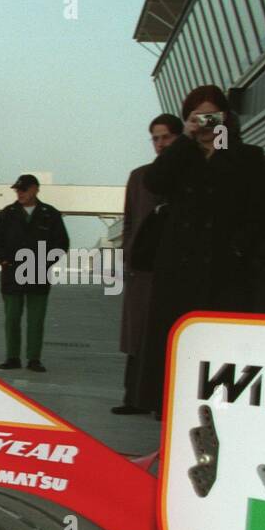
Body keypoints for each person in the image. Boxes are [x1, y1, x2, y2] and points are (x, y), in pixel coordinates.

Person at [133, 85, 265, 415]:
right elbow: (155, 181)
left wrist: (241, 249)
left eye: (212, 114)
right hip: (179, 272)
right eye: (197, 116)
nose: (205, 122)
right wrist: (186, 137)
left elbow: (262, 211)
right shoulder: (181, 156)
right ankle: (171, 409)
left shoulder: (244, 156)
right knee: (178, 347)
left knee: (221, 349)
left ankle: (219, 411)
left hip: (228, 272)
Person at [113, 113, 182, 416]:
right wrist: (129, 253)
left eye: (166, 137)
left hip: (176, 268)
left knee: (167, 335)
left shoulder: (189, 173)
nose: (160, 143)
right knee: (137, 335)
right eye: (155, 138)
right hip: (142, 269)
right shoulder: (139, 177)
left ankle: (163, 403)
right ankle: (135, 398)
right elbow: (129, 219)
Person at [0, 174, 69, 372]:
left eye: (23, 189)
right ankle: (12, 357)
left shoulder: (50, 215)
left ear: (35, 189)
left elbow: (62, 244)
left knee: (36, 320)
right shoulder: (6, 214)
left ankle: (34, 359)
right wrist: (4, 260)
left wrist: (44, 262)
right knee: (12, 318)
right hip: (12, 274)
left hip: (38, 275)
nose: (20, 193)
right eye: (17, 190)